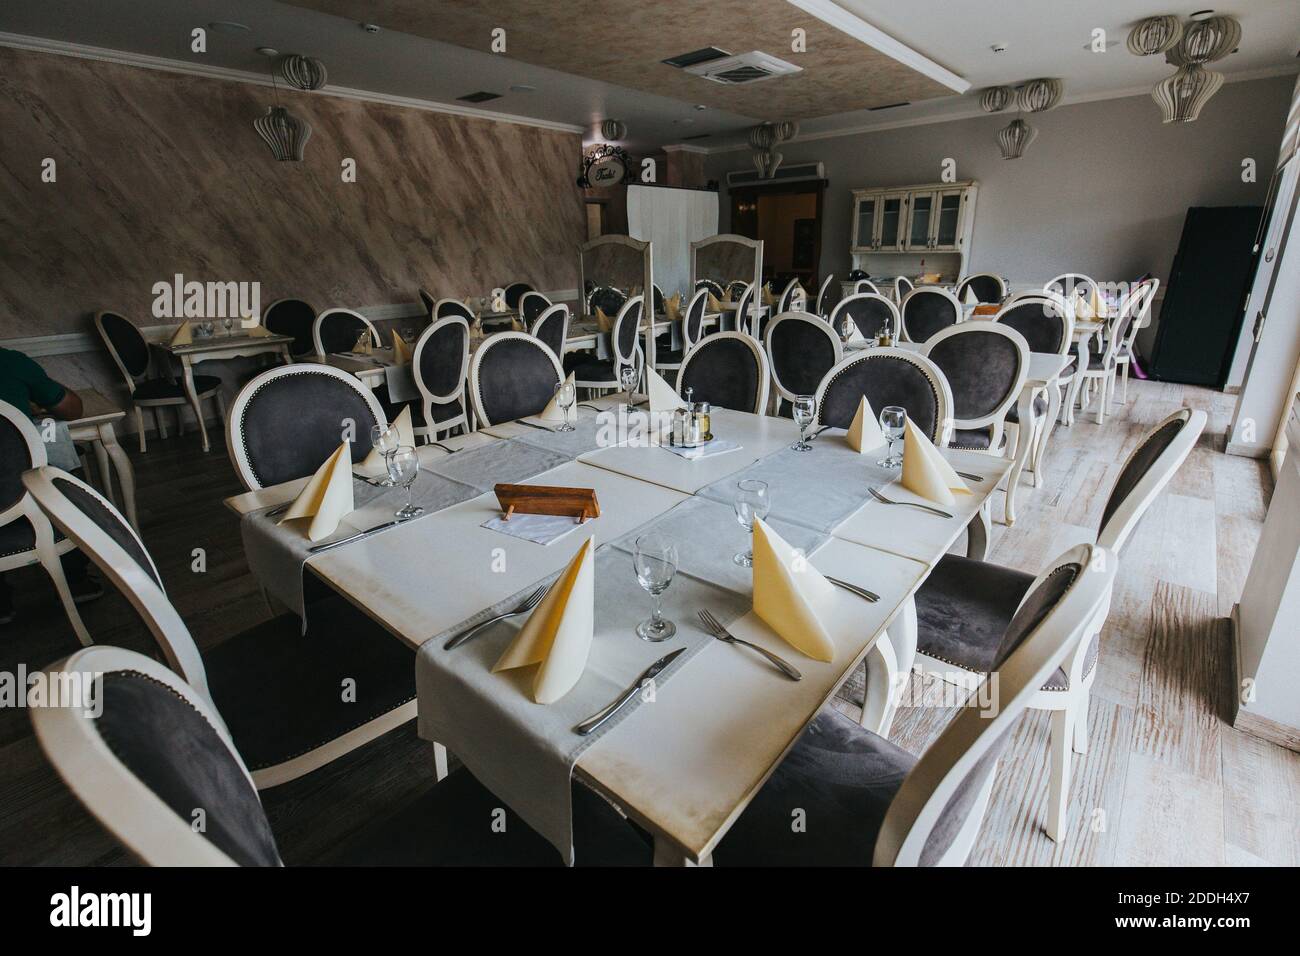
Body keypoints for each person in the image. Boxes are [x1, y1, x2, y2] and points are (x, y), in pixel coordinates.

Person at [0, 347, 103, 625]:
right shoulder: (10, 363)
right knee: (60, 474)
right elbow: (72, 407)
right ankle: (75, 578)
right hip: (20, 494)